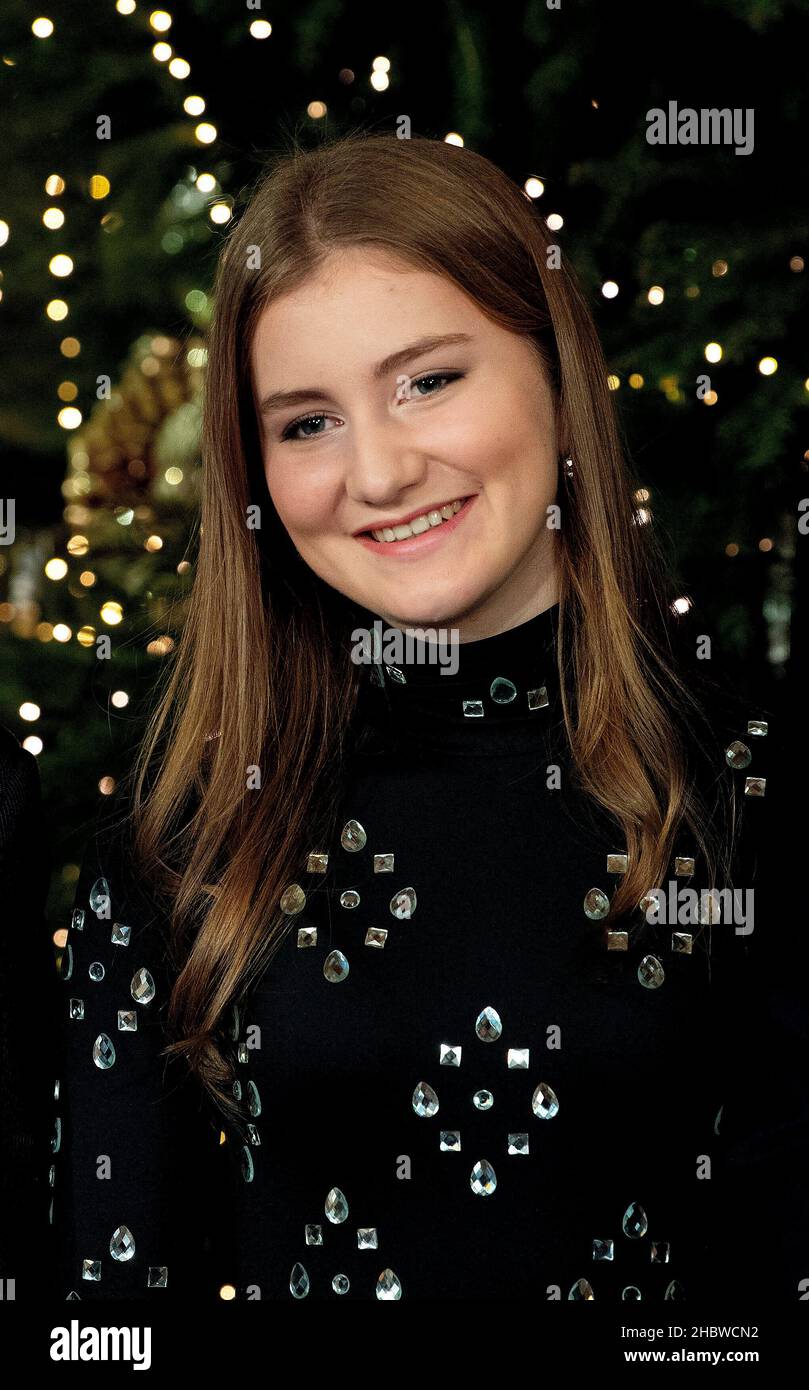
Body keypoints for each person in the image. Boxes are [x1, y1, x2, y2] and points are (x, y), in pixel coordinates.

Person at [49, 131, 808, 1302]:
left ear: (553, 377)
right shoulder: (179, 847)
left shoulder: (748, 796)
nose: (381, 471)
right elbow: (107, 1315)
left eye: (427, 381)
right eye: (306, 422)